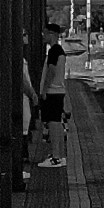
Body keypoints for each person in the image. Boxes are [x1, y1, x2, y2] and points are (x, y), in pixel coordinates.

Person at [31, 39, 67, 174]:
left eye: (45, 33)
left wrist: (44, 89)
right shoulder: (61, 52)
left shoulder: (53, 51)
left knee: (52, 123)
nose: (42, 35)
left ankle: (55, 157)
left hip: (52, 92)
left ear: (51, 34)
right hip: (58, 91)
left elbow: (51, 70)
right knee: (57, 122)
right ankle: (59, 155)